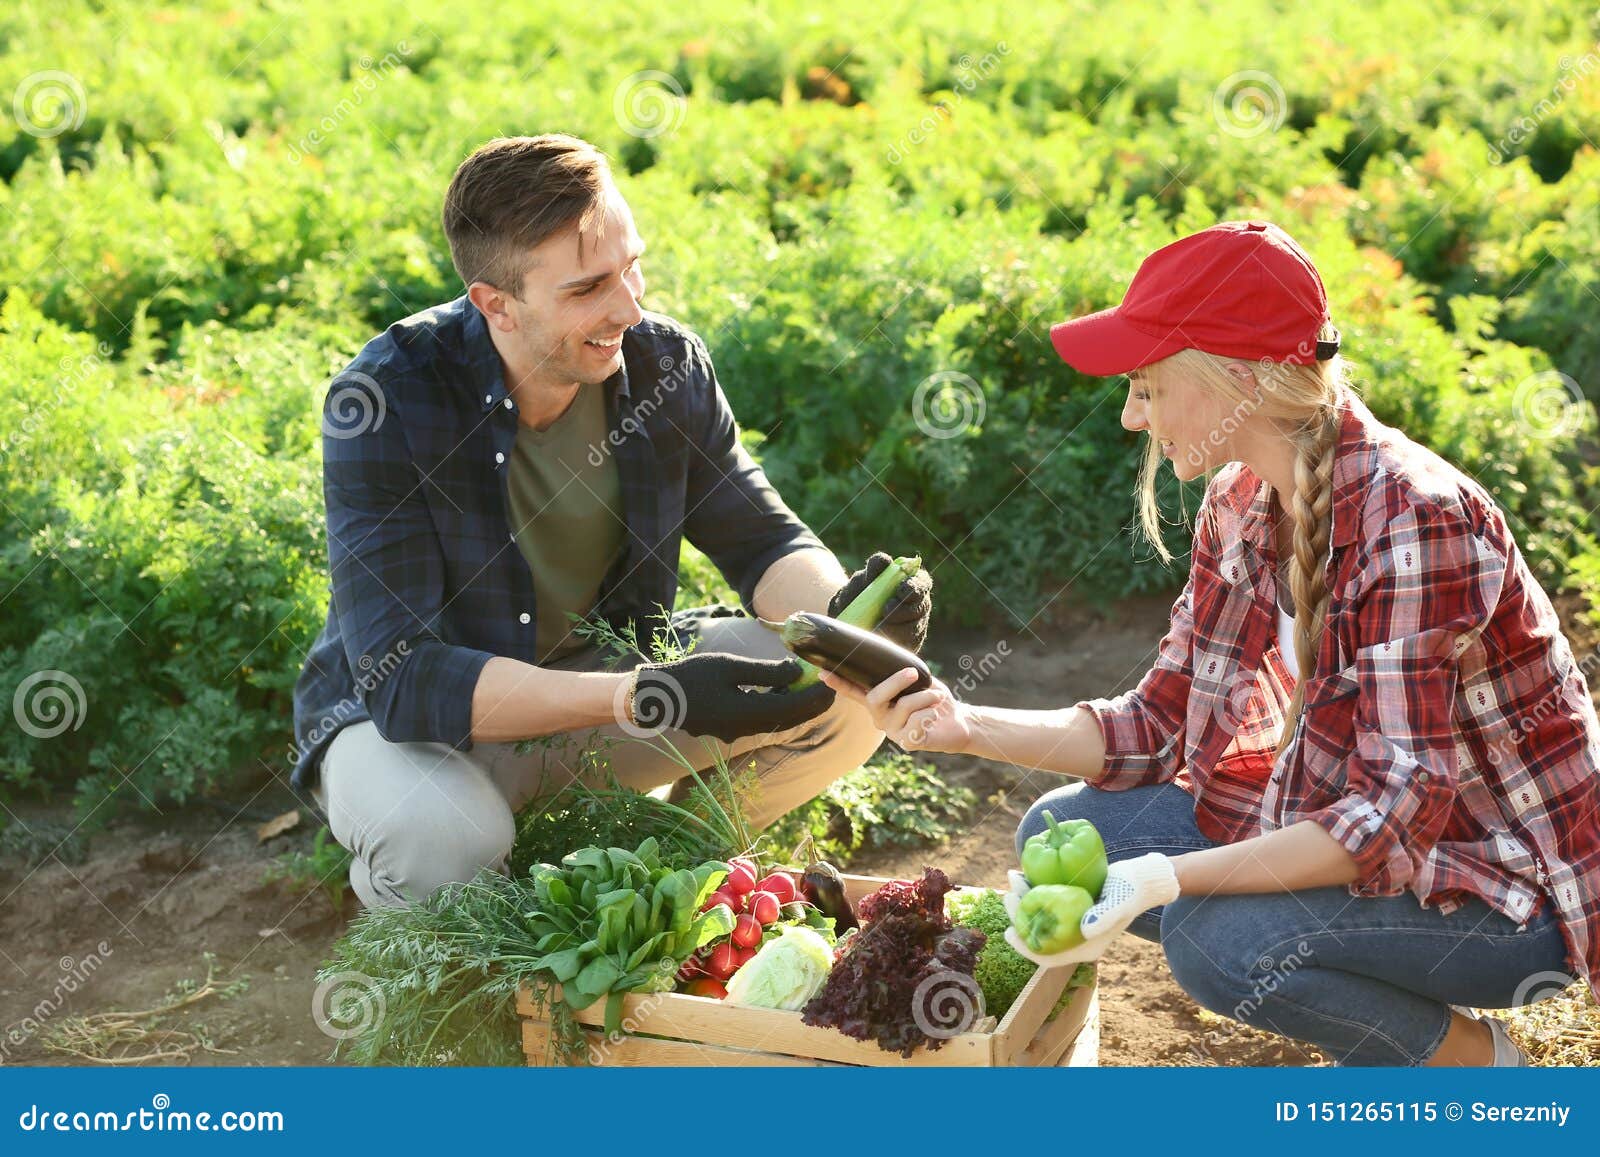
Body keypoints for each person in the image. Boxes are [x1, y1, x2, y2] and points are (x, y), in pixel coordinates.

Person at [823, 220, 1600, 1067]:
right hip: (1379, 830)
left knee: (1218, 938)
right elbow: (1157, 725)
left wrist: (1171, 877)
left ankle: (1480, 1068)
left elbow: (1387, 820)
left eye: (1146, 386)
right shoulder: (1241, 500)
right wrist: (963, 721)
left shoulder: (1413, 519)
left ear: (1233, 379)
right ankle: (1369, 988)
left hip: (1511, 888)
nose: (1129, 415)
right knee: (1064, 831)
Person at [291, 134, 932, 908]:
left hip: (593, 683)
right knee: (448, 842)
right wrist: (641, 693)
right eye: (589, 287)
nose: (628, 306)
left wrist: (846, 620)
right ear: (494, 302)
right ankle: (423, 958)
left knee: (846, 692)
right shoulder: (386, 403)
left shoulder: (666, 366)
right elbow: (407, 681)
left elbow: (762, 540)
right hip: (412, 732)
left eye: (633, 267)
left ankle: (660, 891)